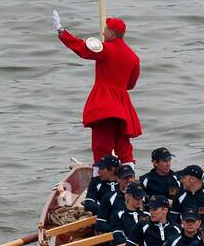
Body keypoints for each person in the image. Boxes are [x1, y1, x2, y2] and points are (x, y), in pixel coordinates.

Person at [54, 14, 142, 167]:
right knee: (123, 146)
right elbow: (130, 84)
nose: (103, 33)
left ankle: (100, 183)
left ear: (112, 34)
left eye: (106, 30)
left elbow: (82, 49)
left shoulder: (106, 49)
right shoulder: (134, 57)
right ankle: (130, 179)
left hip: (105, 103)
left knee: (101, 147)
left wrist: (62, 32)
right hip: (122, 104)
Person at [96, 163, 137, 234]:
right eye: (125, 178)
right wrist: (119, 231)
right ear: (118, 179)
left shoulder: (143, 196)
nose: (129, 180)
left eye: (131, 177)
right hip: (118, 238)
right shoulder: (108, 198)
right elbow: (100, 225)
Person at [140, 147, 181, 212]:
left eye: (169, 160)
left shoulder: (178, 179)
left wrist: (175, 202)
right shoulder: (144, 180)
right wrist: (162, 201)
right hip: (153, 214)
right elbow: (139, 198)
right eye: (165, 161)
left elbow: (185, 199)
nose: (168, 164)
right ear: (155, 163)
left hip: (173, 215)